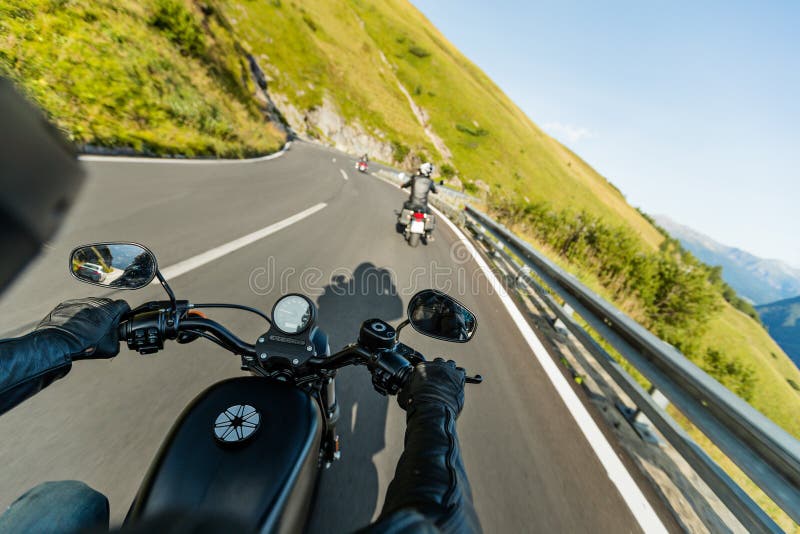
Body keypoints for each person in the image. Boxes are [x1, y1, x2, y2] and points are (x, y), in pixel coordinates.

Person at [0, 78, 481, 533]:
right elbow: (430, 521)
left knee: (70, 500)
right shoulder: (424, 186)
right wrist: (435, 403)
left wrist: (66, 339)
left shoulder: (410, 184)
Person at [400, 162, 438, 242]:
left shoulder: (414, 178)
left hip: (412, 204)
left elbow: (406, 184)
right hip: (423, 207)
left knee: (405, 205)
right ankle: (428, 233)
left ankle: (402, 223)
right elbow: (435, 191)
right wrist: (436, 191)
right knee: (431, 216)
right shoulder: (430, 182)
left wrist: (402, 185)